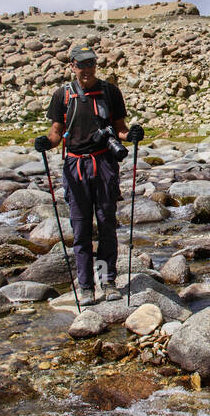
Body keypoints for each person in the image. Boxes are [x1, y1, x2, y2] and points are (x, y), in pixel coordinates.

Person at [33, 44, 143, 305]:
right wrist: (46, 143)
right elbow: (56, 133)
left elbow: (120, 130)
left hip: (104, 164)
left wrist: (132, 136)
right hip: (75, 167)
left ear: (96, 64)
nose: (87, 69)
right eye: (81, 64)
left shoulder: (109, 91)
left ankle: (108, 282)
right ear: (72, 65)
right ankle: (85, 287)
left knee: (106, 224)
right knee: (81, 229)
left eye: (91, 63)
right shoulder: (63, 95)